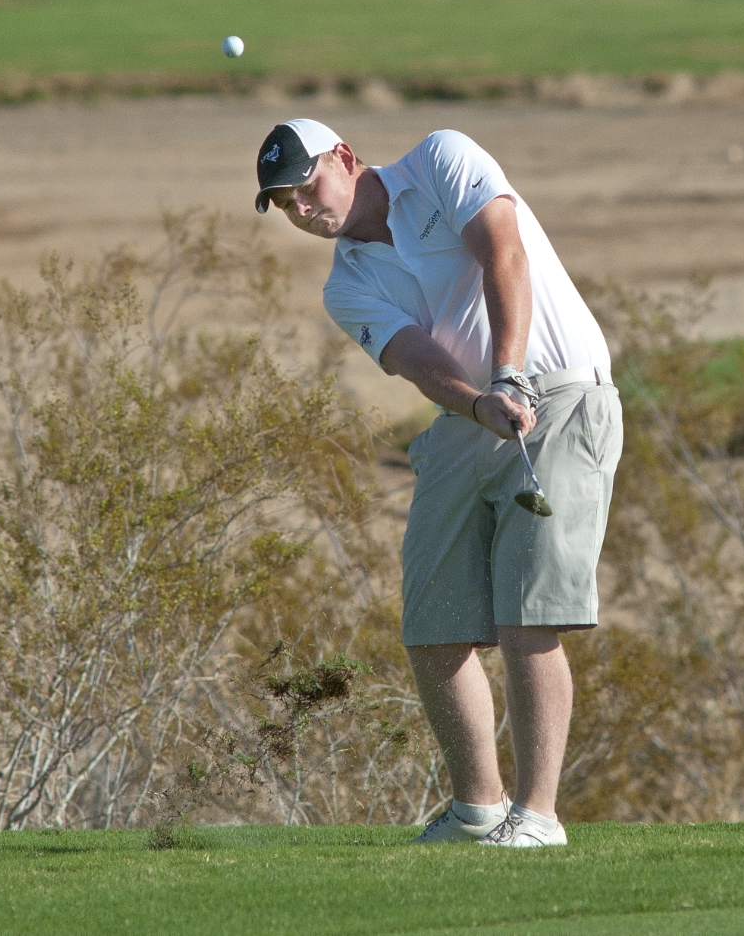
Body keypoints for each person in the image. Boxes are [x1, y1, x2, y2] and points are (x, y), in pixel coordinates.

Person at [254, 119, 622, 846]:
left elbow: (503, 253)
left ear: (346, 158)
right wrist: (480, 401)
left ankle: (538, 817)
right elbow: (415, 357)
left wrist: (508, 376)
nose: (302, 209)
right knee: (434, 619)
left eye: (307, 186)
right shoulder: (348, 284)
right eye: (285, 203)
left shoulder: (441, 159)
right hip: (467, 416)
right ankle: (478, 810)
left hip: (562, 394)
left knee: (528, 611)